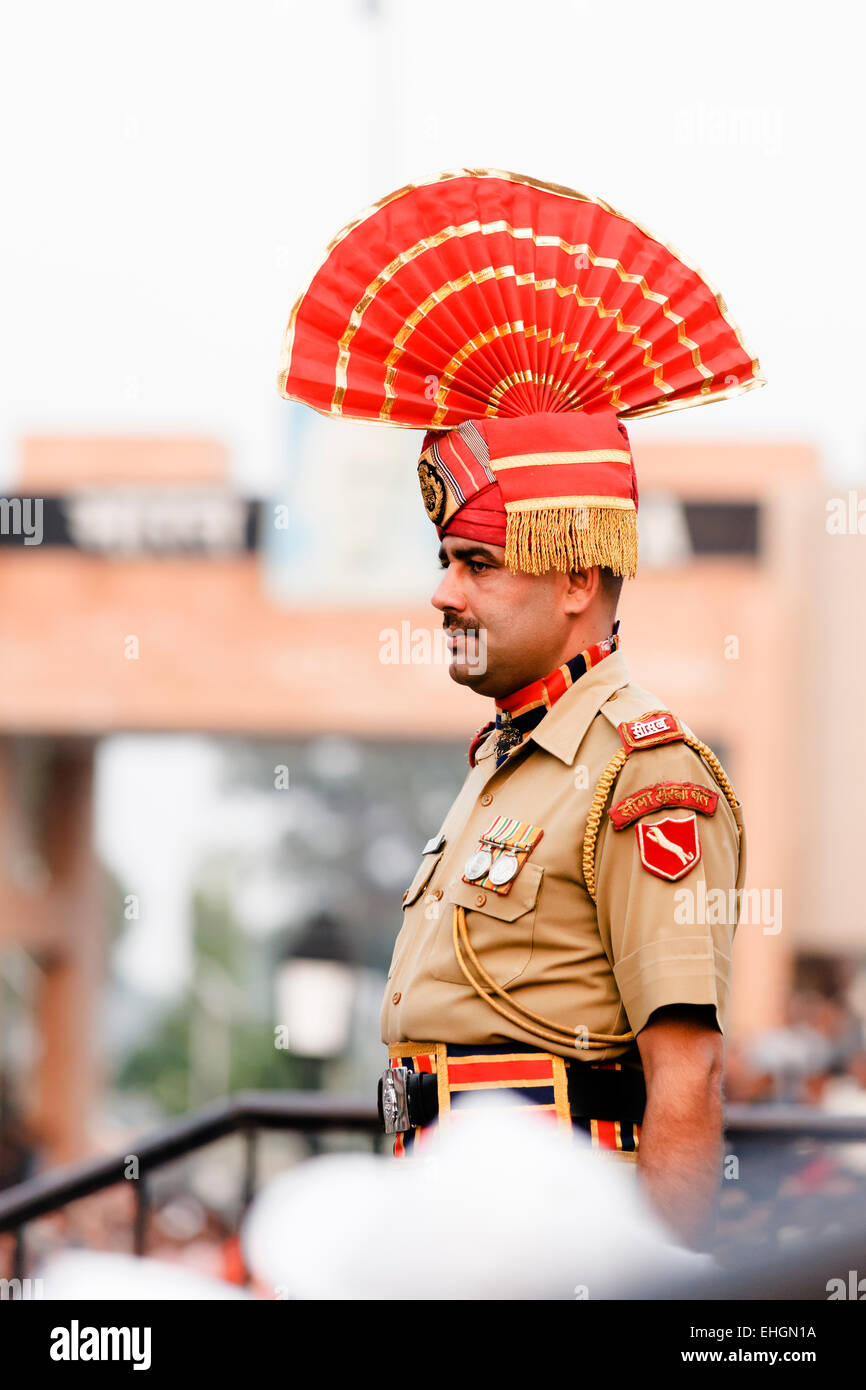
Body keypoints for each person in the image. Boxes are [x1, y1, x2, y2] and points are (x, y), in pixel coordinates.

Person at [276, 168, 763, 1249]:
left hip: (555, 1262)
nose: (443, 590)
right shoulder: (510, 760)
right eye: (444, 559)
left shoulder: (644, 770)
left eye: (475, 562)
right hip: (455, 1239)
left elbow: (685, 1079)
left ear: (573, 577)